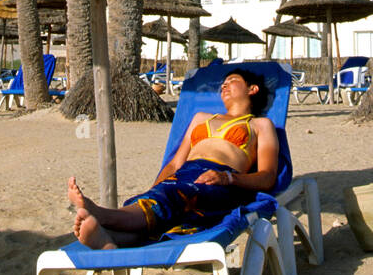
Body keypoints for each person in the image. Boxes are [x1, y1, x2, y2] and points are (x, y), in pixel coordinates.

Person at [67, 68, 279, 249]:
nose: (224, 86)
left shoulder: (260, 125)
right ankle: (110, 241)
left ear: (252, 89)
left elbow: (267, 176)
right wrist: (151, 192)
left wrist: (228, 178)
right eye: (222, 83)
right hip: (184, 174)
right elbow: (176, 163)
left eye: (232, 81)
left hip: (219, 180)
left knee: (175, 195)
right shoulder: (201, 118)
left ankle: (104, 216)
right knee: (162, 199)